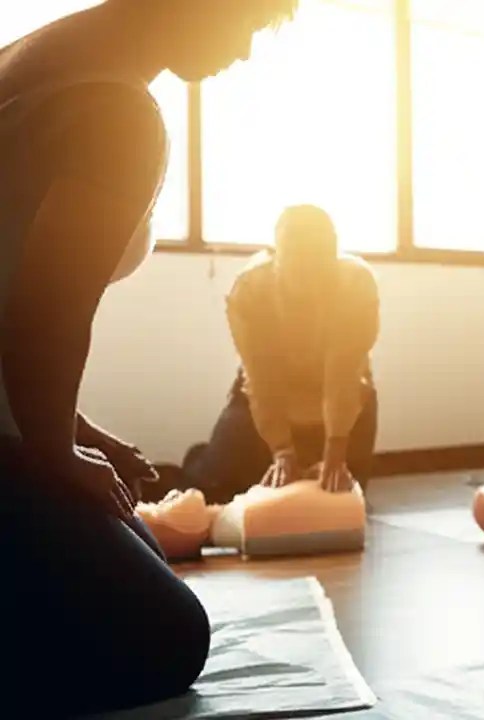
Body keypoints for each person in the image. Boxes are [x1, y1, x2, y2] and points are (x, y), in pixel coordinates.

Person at [0, 0, 298, 714]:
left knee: (136, 542)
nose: (247, 53)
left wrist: (74, 432)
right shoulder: (116, 112)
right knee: (166, 637)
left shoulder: (33, 61)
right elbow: (44, 315)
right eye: (249, 27)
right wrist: (51, 450)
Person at [180, 204, 380, 504]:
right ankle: (203, 457)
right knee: (216, 486)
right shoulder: (250, 289)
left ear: (333, 256)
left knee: (339, 498)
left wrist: (337, 450)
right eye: (297, 263)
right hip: (270, 401)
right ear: (277, 256)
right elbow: (262, 379)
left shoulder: (356, 285)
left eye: (317, 264)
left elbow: (344, 372)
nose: (308, 279)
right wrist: (282, 450)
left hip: (342, 405)